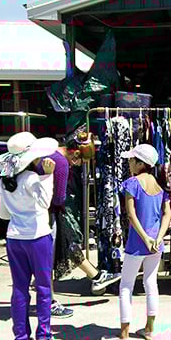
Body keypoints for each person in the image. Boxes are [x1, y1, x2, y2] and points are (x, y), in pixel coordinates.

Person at [35, 130, 119, 319]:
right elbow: (58, 198)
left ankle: (95, 277)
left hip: (29, 213)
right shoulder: (62, 163)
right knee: (49, 258)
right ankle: (49, 302)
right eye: (80, 161)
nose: (79, 165)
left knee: (47, 257)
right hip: (47, 213)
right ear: (75, 153)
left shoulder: (48, 153)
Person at [101, 144, 171, 340]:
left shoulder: (131, 183)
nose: (129, 163)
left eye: (132, 160)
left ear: (141, 163)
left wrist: (145, 238)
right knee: (151, 283)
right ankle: (149, 329)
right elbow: (167, 214)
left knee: (126, 286)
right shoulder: (160, 186)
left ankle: (123, 335)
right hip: (155, 245)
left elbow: (131, 216)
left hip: (137, 244)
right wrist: (158, 237)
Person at [0, 132, 59, 340]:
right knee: (43, 287)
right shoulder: (32, 178)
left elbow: (2, 214)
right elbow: (44, 203)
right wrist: (48, 176)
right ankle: (44, 336)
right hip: (38, 236)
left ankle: (20, 339)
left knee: (19, 289)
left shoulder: (4, 182)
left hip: (14, 238)